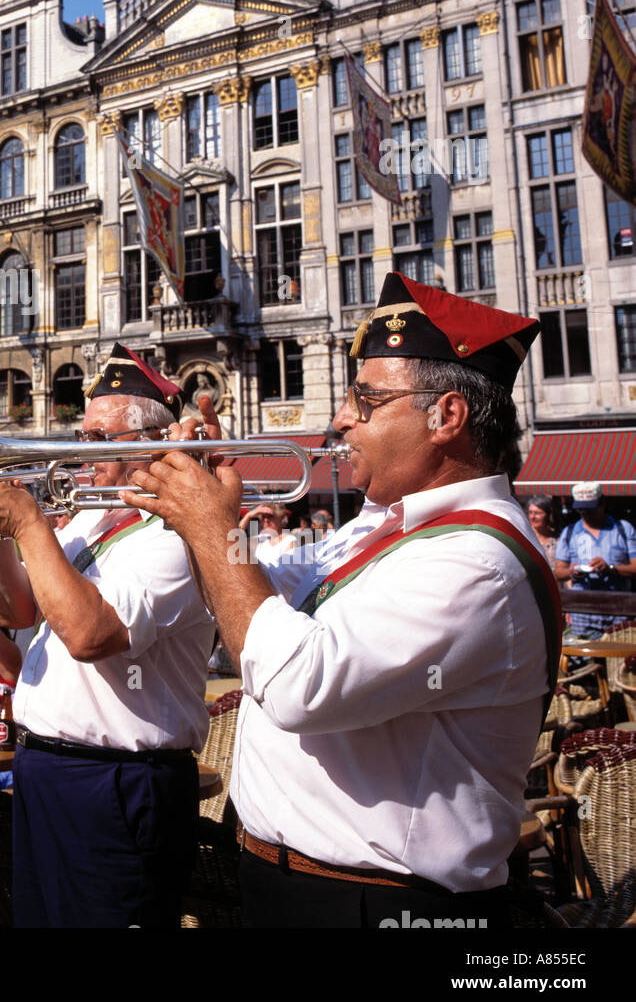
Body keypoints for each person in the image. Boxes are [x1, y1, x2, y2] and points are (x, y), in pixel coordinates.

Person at [126, 273, 561, 928]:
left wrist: (210, 529)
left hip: (379, 903)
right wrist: (195, 499)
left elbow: (299, 683)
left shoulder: (478, 561)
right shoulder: (382, 525)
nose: (340, 417)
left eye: (366, 397)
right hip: (290, 884)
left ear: (446, 415)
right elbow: (255, 594)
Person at [0, 342, 214, 927]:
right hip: (49, 769)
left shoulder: (174, 535)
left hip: (117, 783)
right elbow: (16, 611)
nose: (79, 447)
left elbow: (89, 633)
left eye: (98, 435)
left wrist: (26, 521)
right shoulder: (95, 518)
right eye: (83, 431)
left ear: (147, 444)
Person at [554, 483, 636, 639]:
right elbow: (559, 572)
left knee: (617, 661)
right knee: (585, 662)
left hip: (618, 612)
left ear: (602, 503)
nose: (586, 514)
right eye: (581, 510)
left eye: (591, 509)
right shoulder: (569, 532)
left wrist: (611, 568)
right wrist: (573, 572)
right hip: (583, 614)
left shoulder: (623, 529)